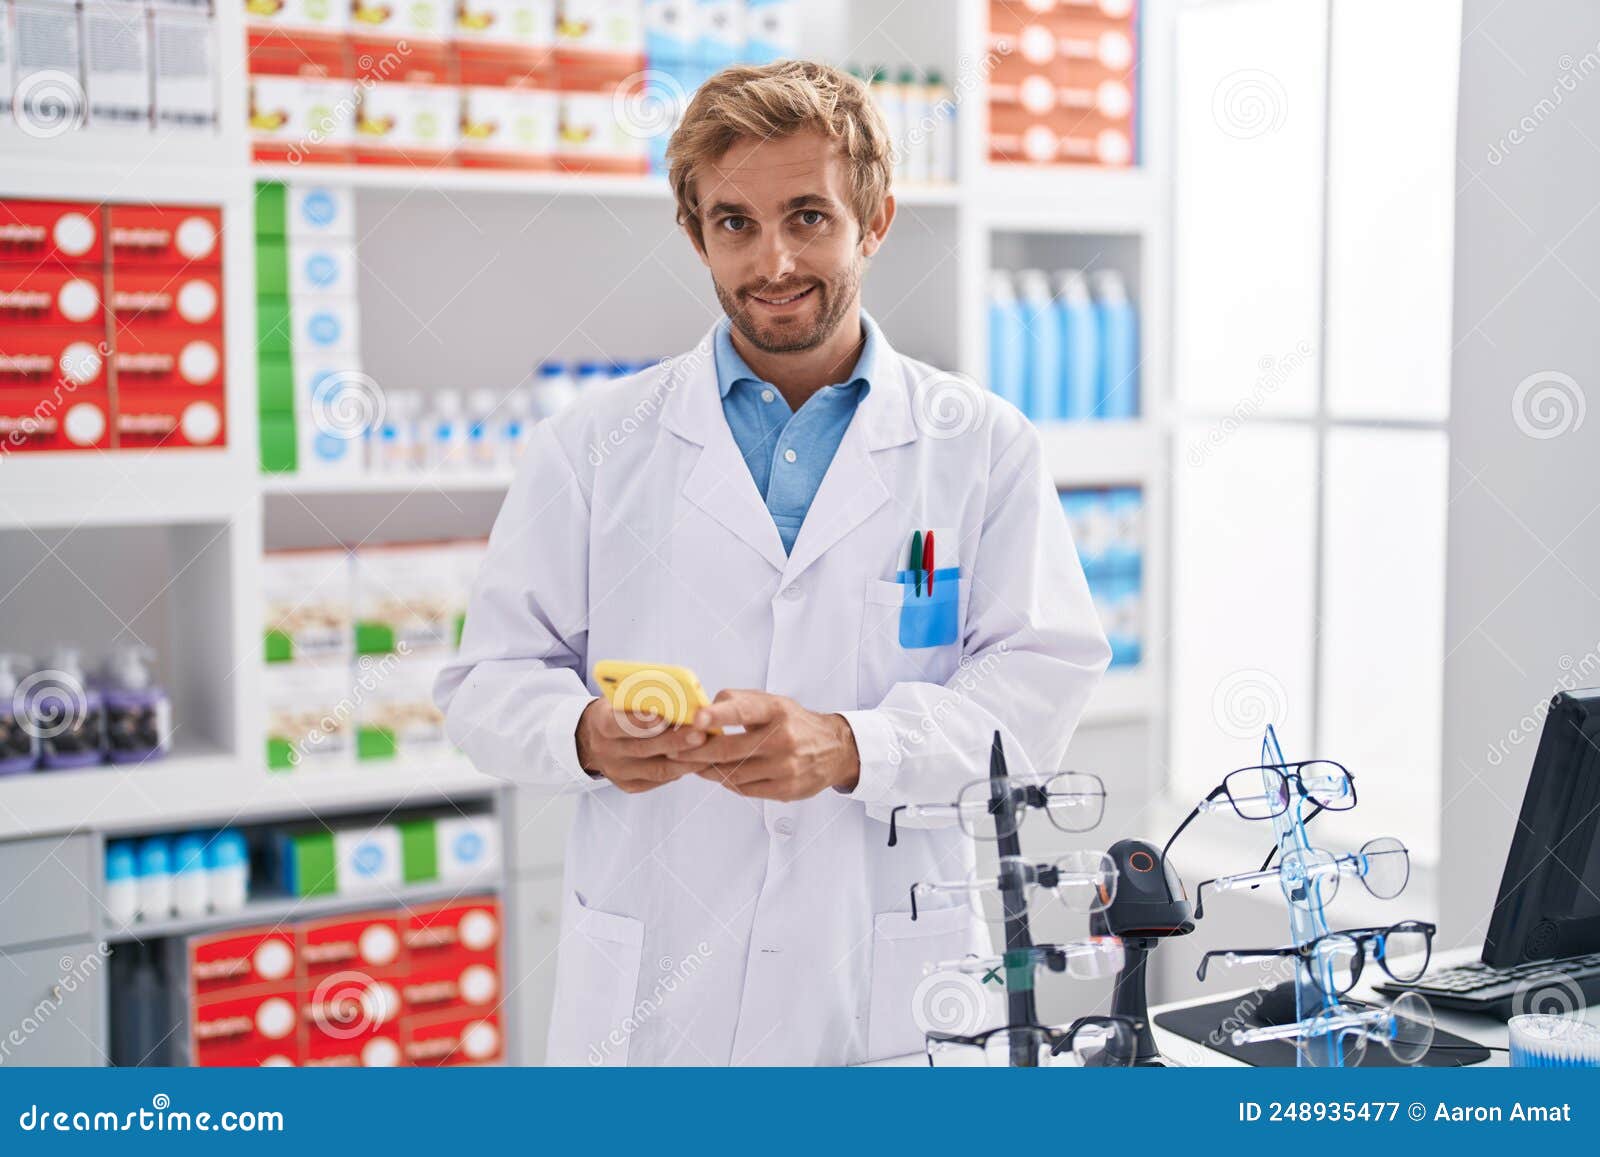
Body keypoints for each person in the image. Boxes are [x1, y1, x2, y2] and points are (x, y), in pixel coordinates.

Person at [435, 60, 1111, 1066]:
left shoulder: (980, 443)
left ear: (873, 221)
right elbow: (481, 681)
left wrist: (851, 746)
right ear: (696, 233)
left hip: (882, 971)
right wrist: (582, 733)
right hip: (659, 989)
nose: (773, 259)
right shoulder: (594, 443)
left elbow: (1037, 688)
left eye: (808, 216)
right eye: (734, 223)